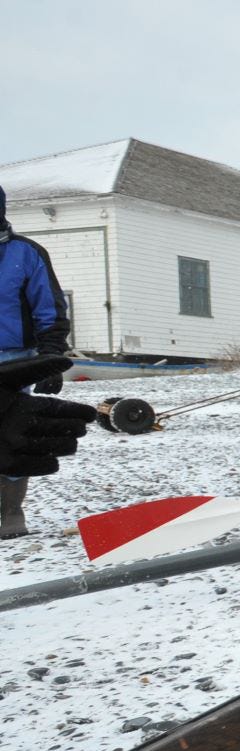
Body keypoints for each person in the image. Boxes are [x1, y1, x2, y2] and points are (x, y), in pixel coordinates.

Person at [1, 187, 91, 538]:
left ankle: (10, 511)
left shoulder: (26, 253)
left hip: (15, 360)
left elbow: (49, 310)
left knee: (12, 433)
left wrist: (51, 359)